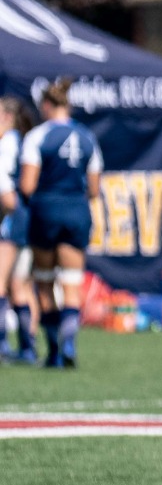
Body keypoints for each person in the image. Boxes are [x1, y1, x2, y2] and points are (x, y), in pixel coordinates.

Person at [17, 78, 101, 369]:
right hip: (77, 211)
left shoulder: (37, 137)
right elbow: (93, 189)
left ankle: (53, 350)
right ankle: (70, 341)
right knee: (71, 283)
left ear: (47, 105)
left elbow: (27, 186)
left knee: (44, 281)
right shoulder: (88, 137)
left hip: (46, 210)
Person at [0, 95, 35, 363]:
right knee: (19, 284)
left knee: (3, 283)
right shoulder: (19, 142)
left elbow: (6, 192)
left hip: (12, 219)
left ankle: (4, 344)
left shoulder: (8, 144)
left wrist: (7, 208)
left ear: (8, 117)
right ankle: (27, 347)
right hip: (22, 218)